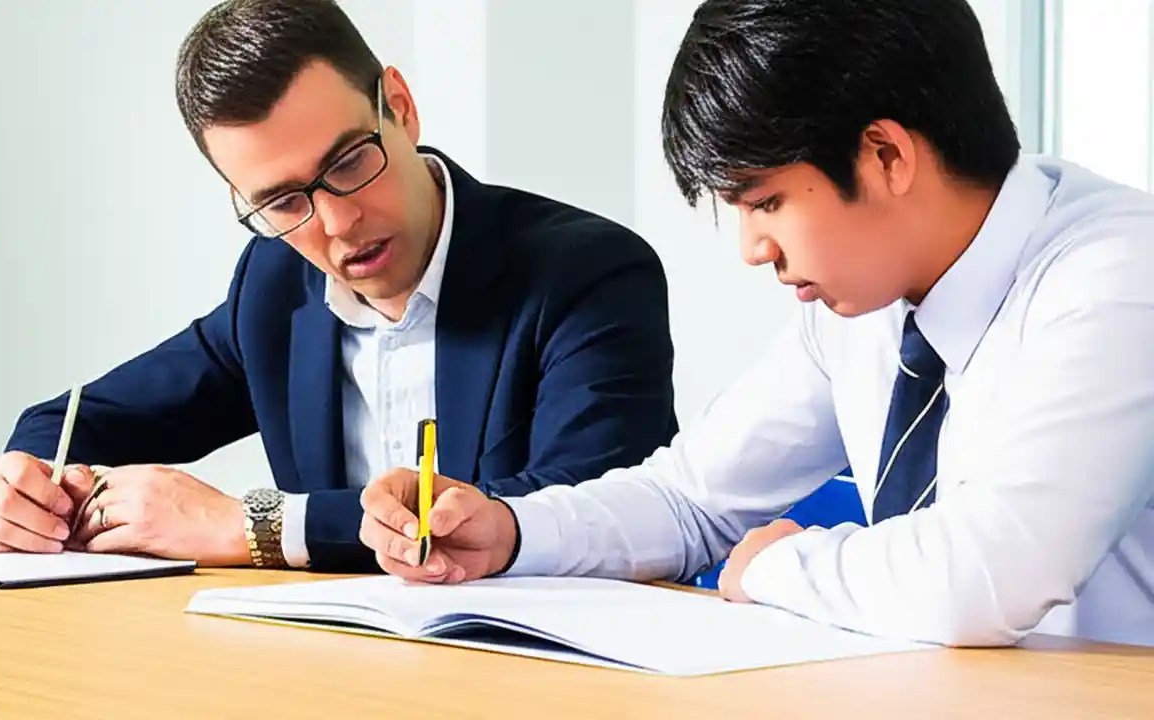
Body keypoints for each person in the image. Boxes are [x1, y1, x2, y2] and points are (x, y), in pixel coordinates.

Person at [359, 0, 1154, 648]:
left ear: (886, 156)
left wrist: (783, 565)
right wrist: (509, 531)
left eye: (764, 202)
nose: (752, 248)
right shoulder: (862, 301)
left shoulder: (1118, 274)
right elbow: (691, 500)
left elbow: (985, 577)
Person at [0, 0, 677, 573]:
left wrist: (251, 526)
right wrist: (27, 486)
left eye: (348, 162)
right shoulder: (275, 285)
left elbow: (587, 514)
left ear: (399, 105)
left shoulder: (590, 275)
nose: (338, 222)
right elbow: (78, 420)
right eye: (281, 203)